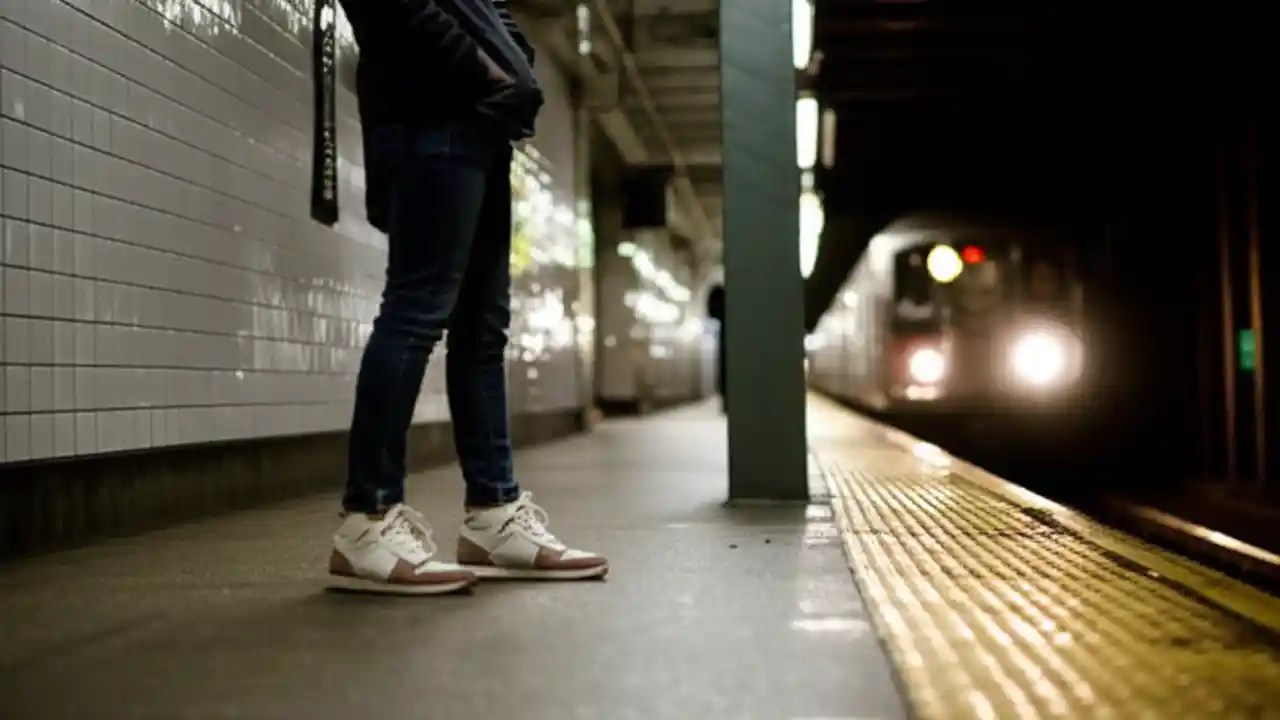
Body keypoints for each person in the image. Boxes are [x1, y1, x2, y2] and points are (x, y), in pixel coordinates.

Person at [326, 0, 608, 595]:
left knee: (482, 327)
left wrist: (514, 63)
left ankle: (493, 513)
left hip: (477, 128)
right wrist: (485, 71)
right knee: (415, 312)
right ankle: (366, 522)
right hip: (429, 120)